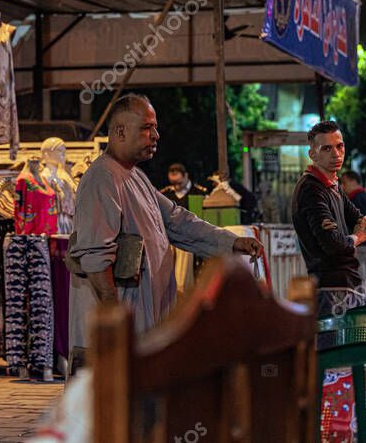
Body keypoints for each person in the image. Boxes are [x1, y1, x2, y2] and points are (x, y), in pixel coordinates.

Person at [67, 94, 262, 375]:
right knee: (112, 409)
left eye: (155, 127)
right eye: (147, 128)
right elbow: (96, 261)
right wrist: (118, 327)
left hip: (144, 324)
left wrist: (232, 242)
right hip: (120, 332)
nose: (156, 135)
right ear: (120, 131)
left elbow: (176, 222)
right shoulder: (102, 178)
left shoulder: (135, 176)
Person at [290, 121, 366, 320]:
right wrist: (358, 236)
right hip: (331, 290)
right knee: (337, 349)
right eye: (327, 148)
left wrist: (362, 228)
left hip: (346, 285)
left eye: (339, 146)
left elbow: (359, 218)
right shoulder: (311, 189)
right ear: (313, 155)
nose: (336, 154)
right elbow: (333, 244)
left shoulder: (333, 185)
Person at [341, 170, 366, 301]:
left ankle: (365, 313)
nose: (342, 187)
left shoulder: (356, 198)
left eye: (344, 182)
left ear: (353, 181)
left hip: (361, 245)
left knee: (362, 284)